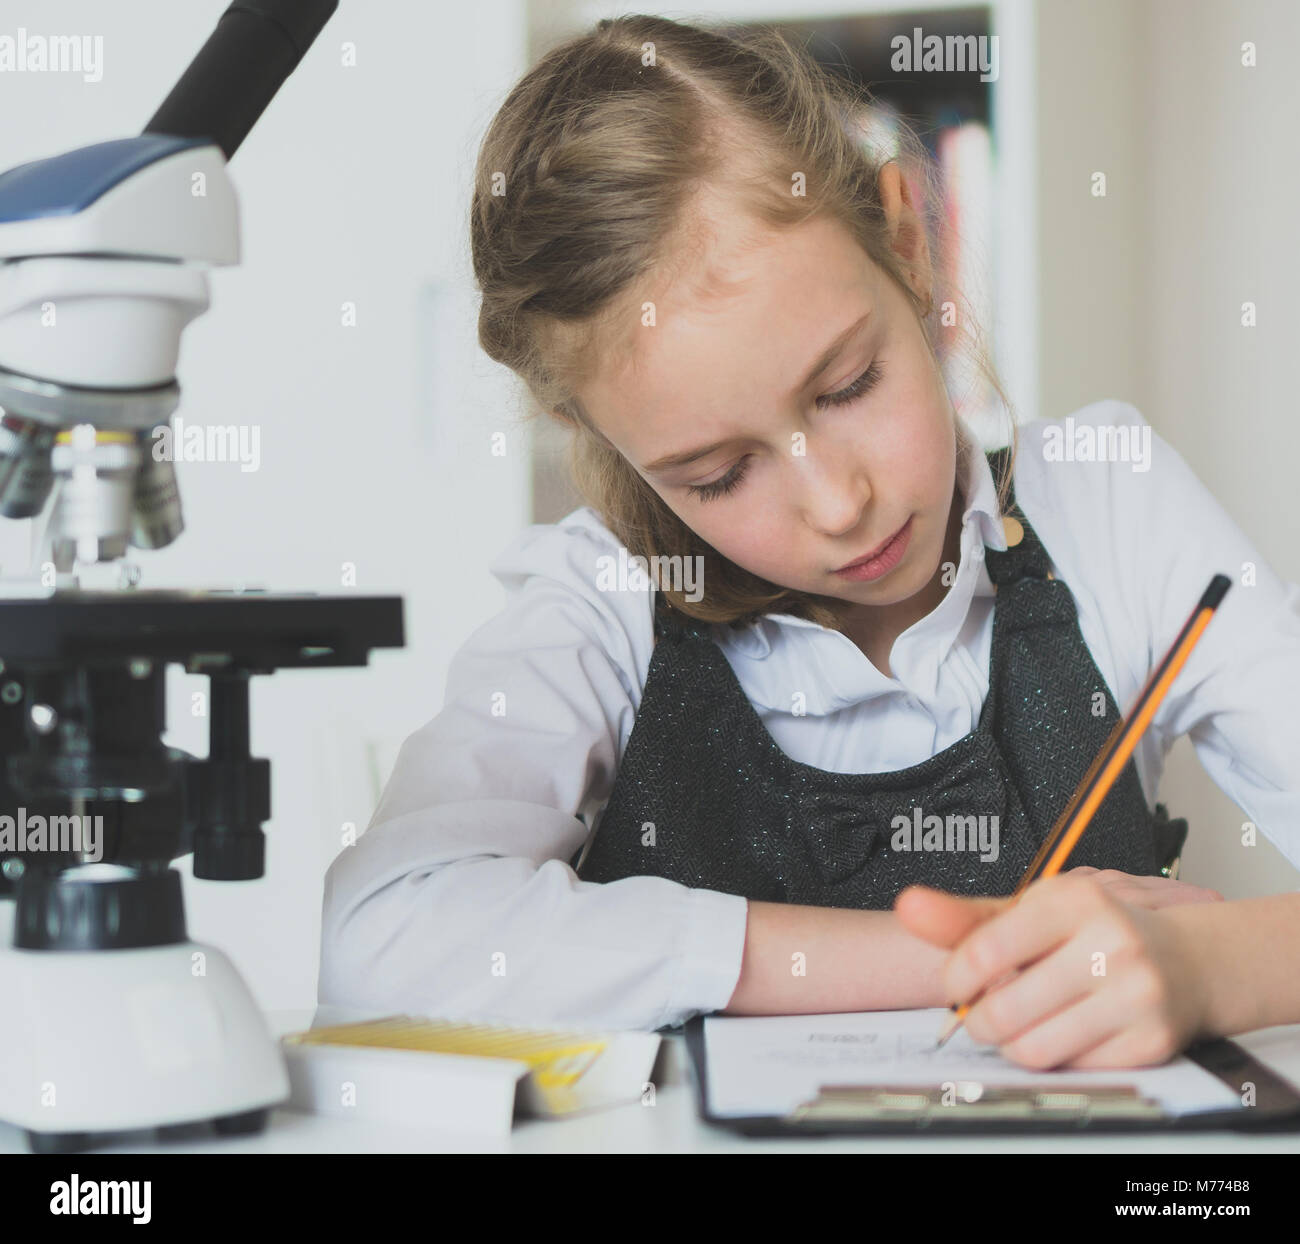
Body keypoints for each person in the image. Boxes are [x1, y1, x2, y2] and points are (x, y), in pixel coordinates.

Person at [318, 15, 1300, 1070]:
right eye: (720, 473)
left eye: (846, 386)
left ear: (908, 245)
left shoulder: (1109, 506)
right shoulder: (598, 602)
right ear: (606, 442)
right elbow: (383, 938)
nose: (838, 503)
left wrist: (1217, 962)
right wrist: (955, 959)